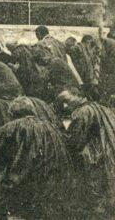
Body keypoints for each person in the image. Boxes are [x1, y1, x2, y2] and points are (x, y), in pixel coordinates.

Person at [0, 97, 71, 219]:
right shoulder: (51, 127)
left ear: (13, 113)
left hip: (27, 188)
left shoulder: (13, 126)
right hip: (52, 188)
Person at [60, 90, 115, 218]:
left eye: (66, 102)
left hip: (95, 156)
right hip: (108, 151)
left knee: (94, 195)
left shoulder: (82, 112)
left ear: (78, 96)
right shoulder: (102, 108)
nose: (65, 106)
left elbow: (74, 141)